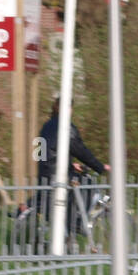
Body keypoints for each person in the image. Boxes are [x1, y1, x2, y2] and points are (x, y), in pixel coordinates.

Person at [31, 98, 109, 233]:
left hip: (44, 173)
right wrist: (100, 167)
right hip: (59, 175)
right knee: (88, 185)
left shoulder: (46, 126)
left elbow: (42, 153)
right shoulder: (66, 127)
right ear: (68, 109)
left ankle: (68, 226)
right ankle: (77, 222)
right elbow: (80, 150)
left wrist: (70, 165)